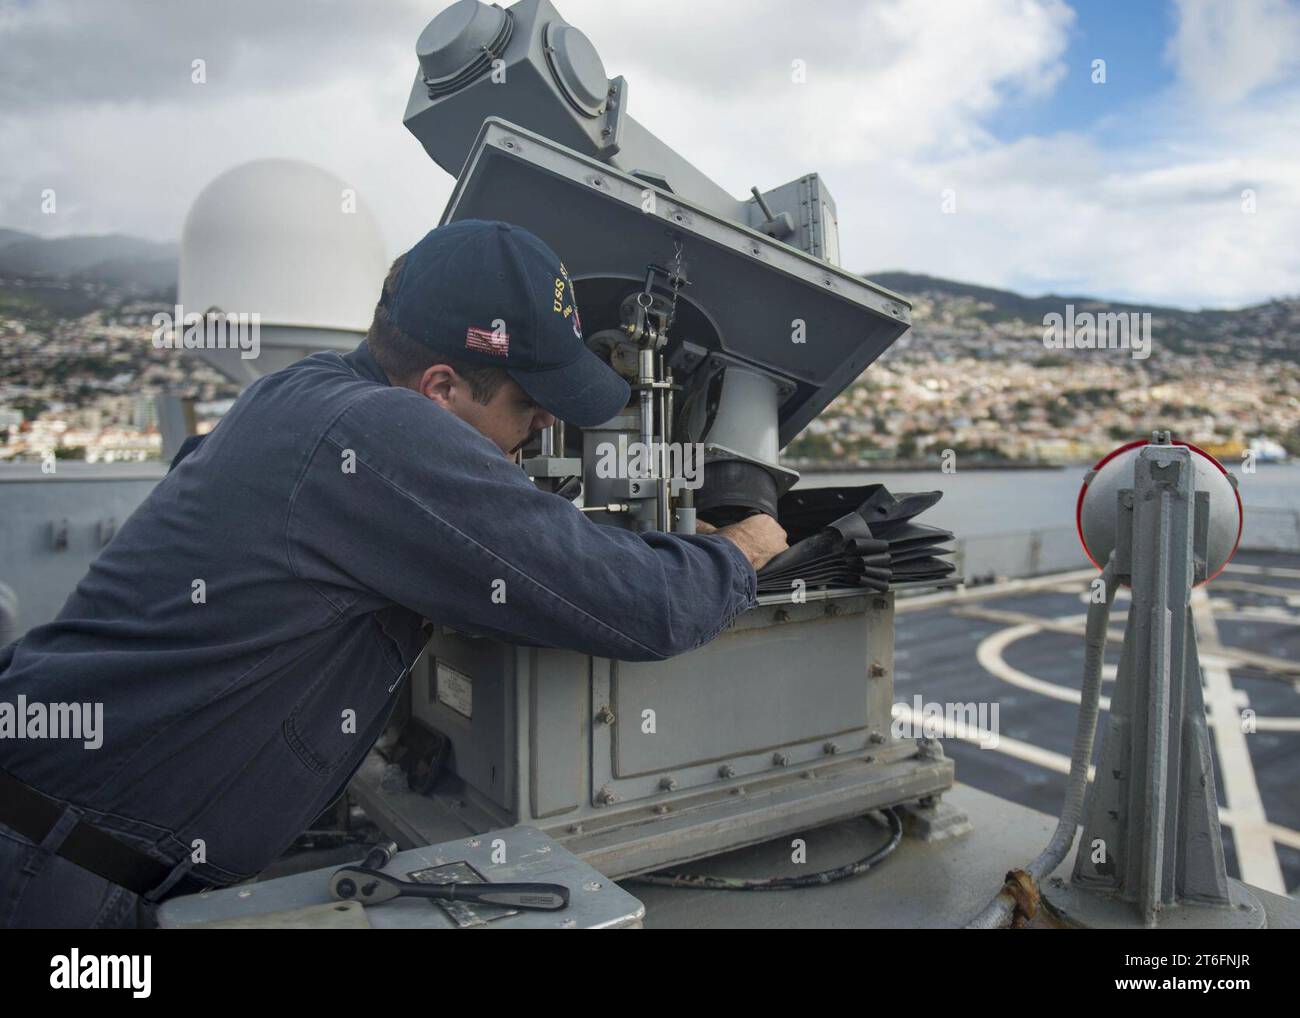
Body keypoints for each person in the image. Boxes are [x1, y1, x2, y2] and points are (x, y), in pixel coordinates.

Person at [0, 219, 787, 928]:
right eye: (531, 405)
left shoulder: (305, 391)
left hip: (66, 834)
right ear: (440, 389)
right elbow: (644, 606)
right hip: (55, 877)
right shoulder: (380, 430)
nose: (546, 424)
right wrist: (743, 547)